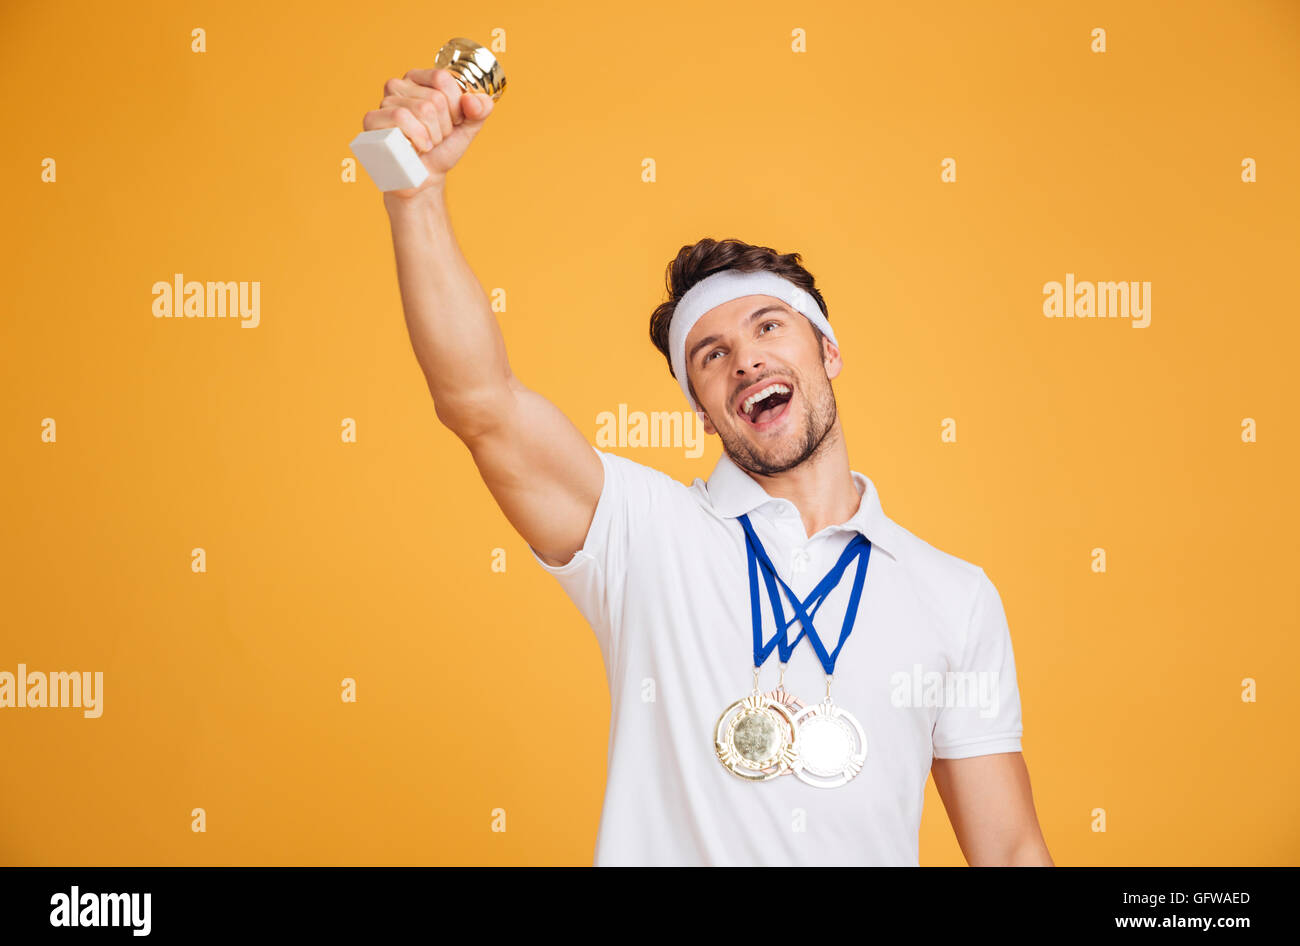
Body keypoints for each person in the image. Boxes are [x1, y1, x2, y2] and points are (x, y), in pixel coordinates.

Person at [362, 66, 1054, 866]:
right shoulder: (643, 531)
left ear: (827, 351)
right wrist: (412, 194)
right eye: (712, 354)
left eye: (769, 328)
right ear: (701, 407)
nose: (746, 361)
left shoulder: (954, 597)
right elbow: (479, 402)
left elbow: (1007, 850)